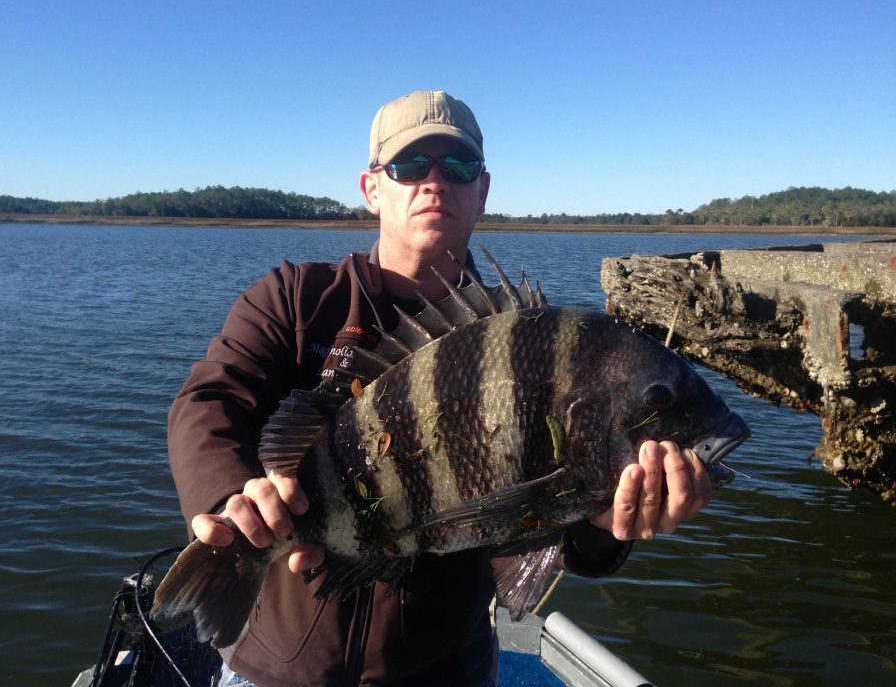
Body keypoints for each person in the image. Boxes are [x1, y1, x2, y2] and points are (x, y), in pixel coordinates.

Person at [167, 90, 713, 686]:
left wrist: (605, 523)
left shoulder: (535, 345)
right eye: (408, 166)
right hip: (278, 670)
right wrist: (229, 501)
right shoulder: (295, 298)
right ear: (372, 187)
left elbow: (536, 527)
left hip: (442, 670)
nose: (434, 183)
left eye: (456, 168)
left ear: (481, 189)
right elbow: (208, 401)